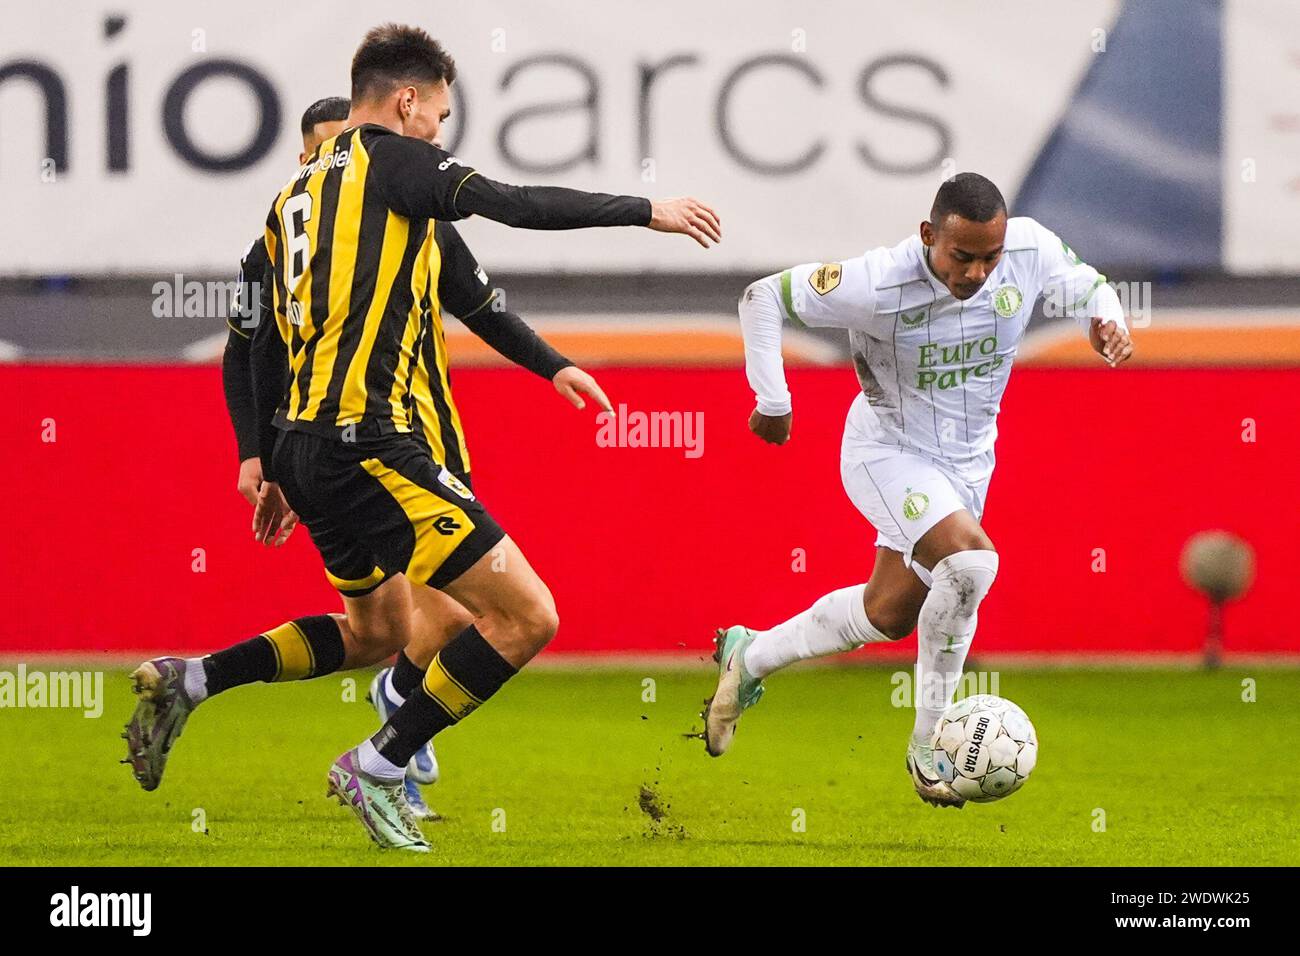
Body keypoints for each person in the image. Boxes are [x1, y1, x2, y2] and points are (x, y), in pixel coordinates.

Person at [125, 22, 719, 852]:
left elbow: (259, 340)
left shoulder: (289, 200)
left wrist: (265, 458)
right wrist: (645, 210)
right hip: (372, 443)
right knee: (526, 617)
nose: (439, 134)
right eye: (439, 115)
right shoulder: (392, 160)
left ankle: (196, 679)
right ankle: (379, 762)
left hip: (307, 445)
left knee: (377, 631)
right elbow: (513, 203)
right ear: (407, 102)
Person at [217, 95, 612, 821]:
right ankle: (384, 746)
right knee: (484, 620)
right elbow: (252, 340)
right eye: (321, 150)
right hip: (362, 446)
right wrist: (258, 455)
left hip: (385, 446)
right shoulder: (333, 201)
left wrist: (552, 365)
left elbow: (480, 302)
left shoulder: (374, 213)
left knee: (405, 627)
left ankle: (238, 693)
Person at [701, 172, 1130, 809]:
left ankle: (752, 655)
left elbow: (1091, 284)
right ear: (929, 235)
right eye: (962, 257)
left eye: (991, 257)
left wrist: (1108, 319)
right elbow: (761, 296)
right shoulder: (876, 282)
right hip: (887, 452)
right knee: (971, 563)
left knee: (888, 613)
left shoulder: (1030, 250)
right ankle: (928, 743)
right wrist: (772, 396)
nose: (979, 272)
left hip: (968, 466)